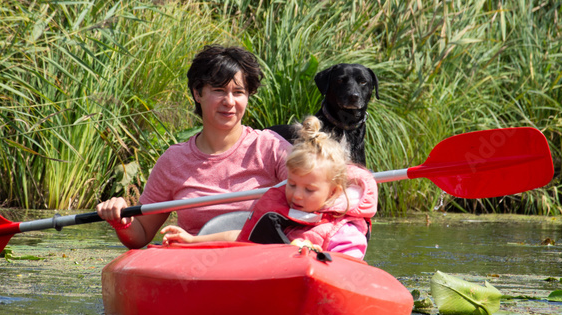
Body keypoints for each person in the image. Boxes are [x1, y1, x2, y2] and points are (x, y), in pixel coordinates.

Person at [96, 45, 291, 249]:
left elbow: (316, 194)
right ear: (197, 93)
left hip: (259, 259)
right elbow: (142, 234)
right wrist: (122, 221)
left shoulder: (272, 147)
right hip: (194, 264)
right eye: (219, 91)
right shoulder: (174, 160)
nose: (229, 102)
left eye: (239, 92)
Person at [160, 116, 378, 259]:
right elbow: (243, 236)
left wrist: (314, 256)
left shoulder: (346, 232)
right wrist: (192, 239)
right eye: (292, 185)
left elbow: (349, 270)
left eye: (309, 190)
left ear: (333, 192)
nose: (296, 195)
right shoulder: (282, 216)